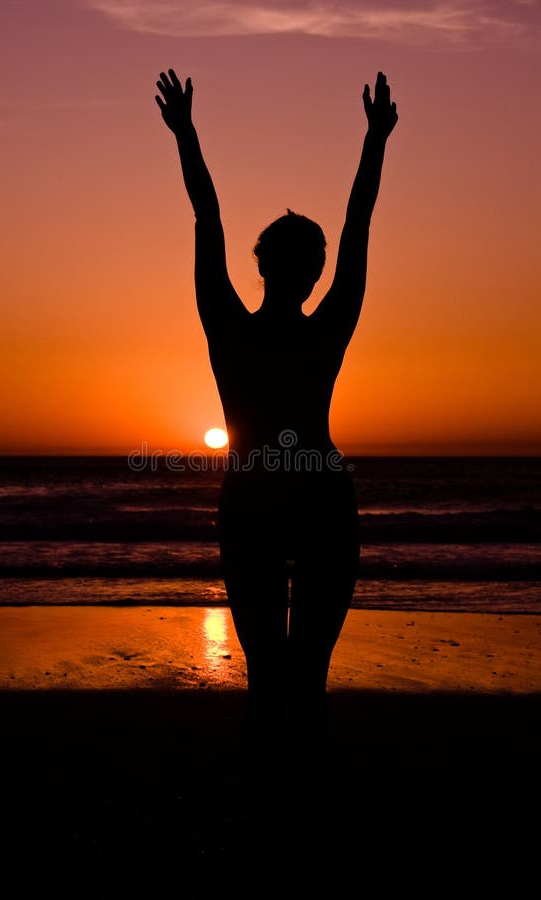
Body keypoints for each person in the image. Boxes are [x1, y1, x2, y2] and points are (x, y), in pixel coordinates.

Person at [155, 68, 398, 761]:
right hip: (320, 500)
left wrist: (187, 134)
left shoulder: (231, 329)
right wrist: (374, 140)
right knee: (305, 684)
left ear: (260, 265)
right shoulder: (324, 331)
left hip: (255, 502)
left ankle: (271, 803)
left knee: (269, 681)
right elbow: (359, 225)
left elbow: (207, 220)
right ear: (315, 273)